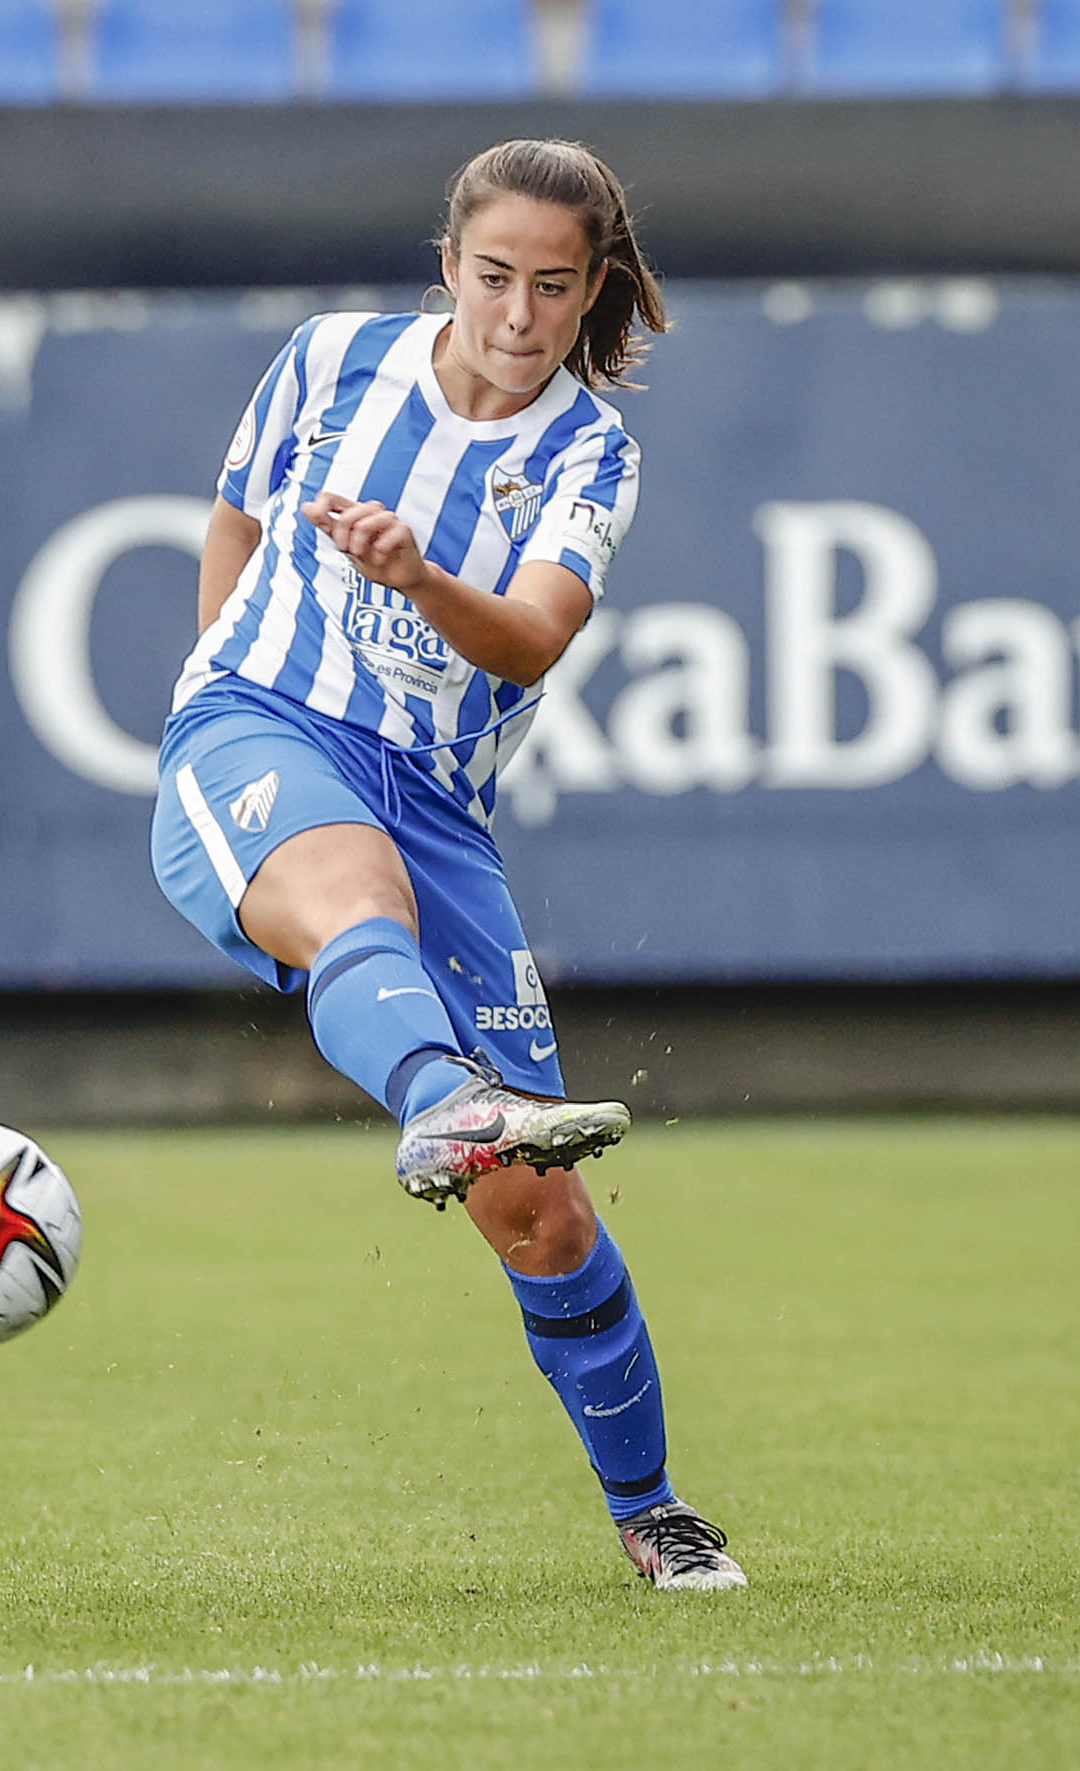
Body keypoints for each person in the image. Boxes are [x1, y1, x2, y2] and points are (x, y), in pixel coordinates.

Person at [149, 141, 746, 1591]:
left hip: (435, 802)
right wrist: (214, 685)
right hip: (262, 726)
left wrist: (418, 575)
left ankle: (654, 1514)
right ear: (448, 266)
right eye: (493, 277)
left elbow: (530, 639)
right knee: (358, 898)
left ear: (592, 290)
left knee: (541, 1209)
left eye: (552, 286)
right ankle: (438, 1097)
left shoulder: (591, 453)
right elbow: (235, 518)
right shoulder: (327, 359)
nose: (517, 315)